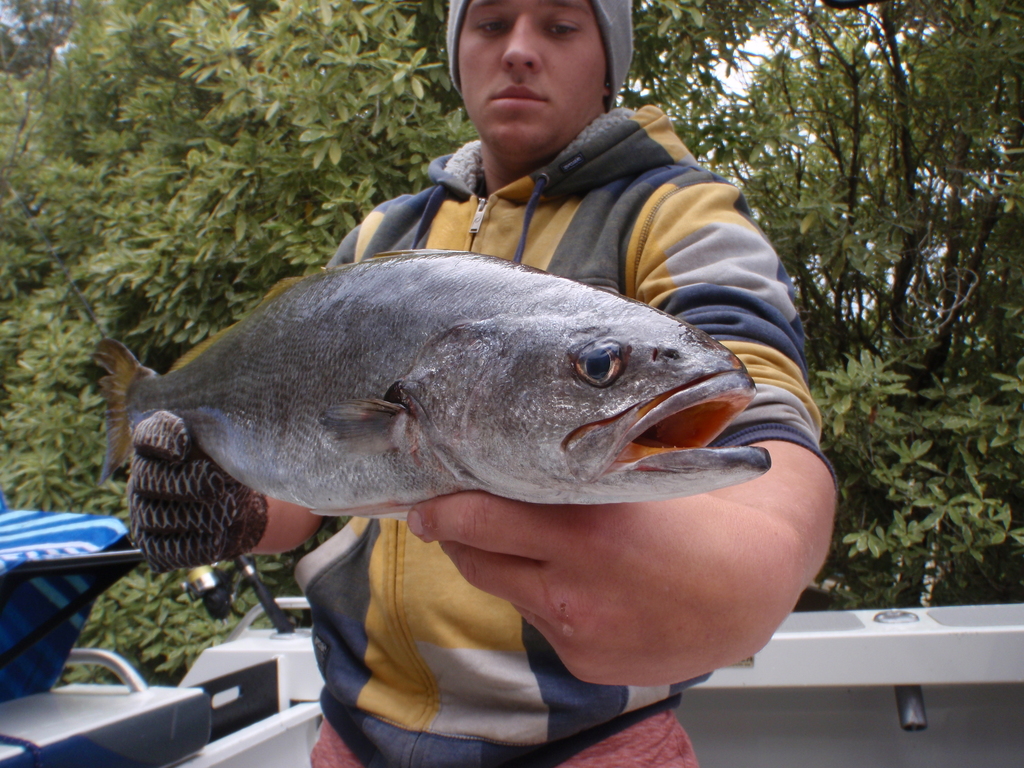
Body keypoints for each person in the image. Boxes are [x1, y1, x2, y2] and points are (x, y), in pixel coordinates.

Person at [126, 0, 835, 765]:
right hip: (351, 735)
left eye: (560, 25)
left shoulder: (680, 214)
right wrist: (227, 508)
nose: (521, 50)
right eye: (491, 23)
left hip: (594, 746)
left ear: (609, 64)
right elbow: (311, 485)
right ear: (457, 53)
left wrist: (763, 562)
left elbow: (765, 416)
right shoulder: (378, 240)